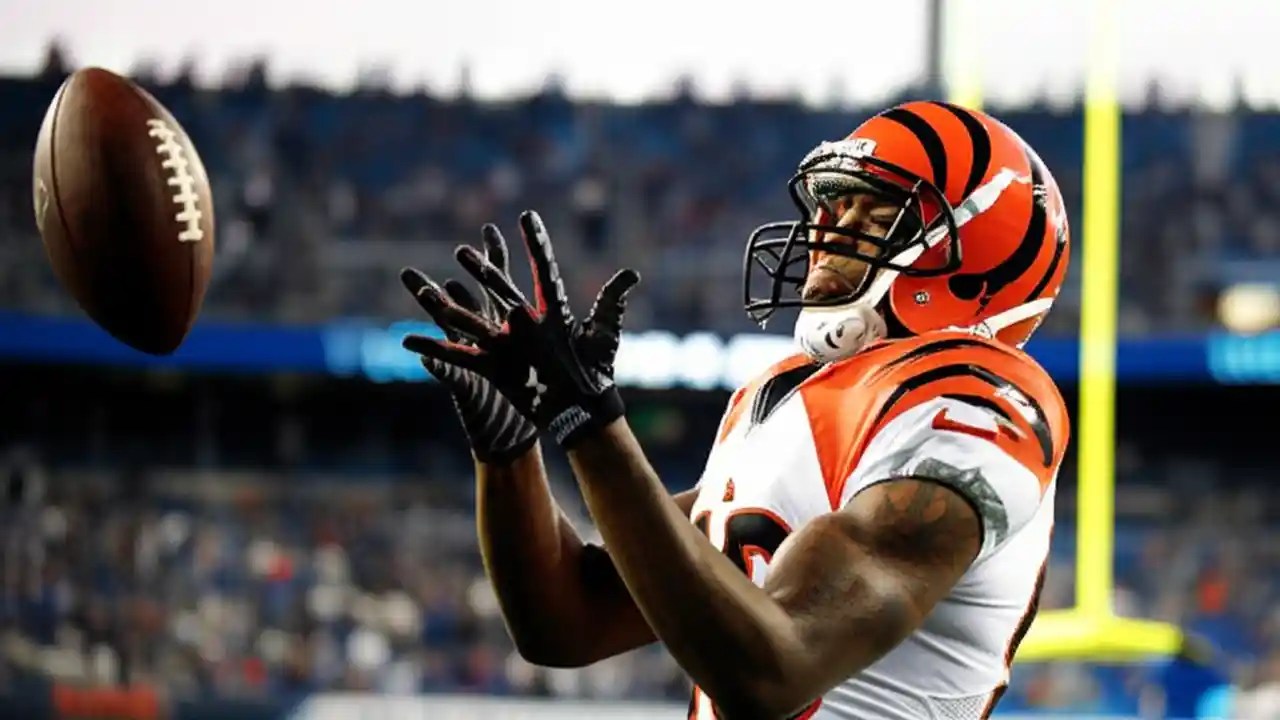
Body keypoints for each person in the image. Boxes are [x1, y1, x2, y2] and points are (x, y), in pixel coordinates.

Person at [400, 99, 1072, 719]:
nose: (825, 232)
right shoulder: (779, 396)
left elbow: (773, 671)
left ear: (976, 258)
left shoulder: (978, 396)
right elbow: (565, 619)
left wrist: (588, 423)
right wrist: (509, 445)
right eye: (831, 209)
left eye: (873, 215)